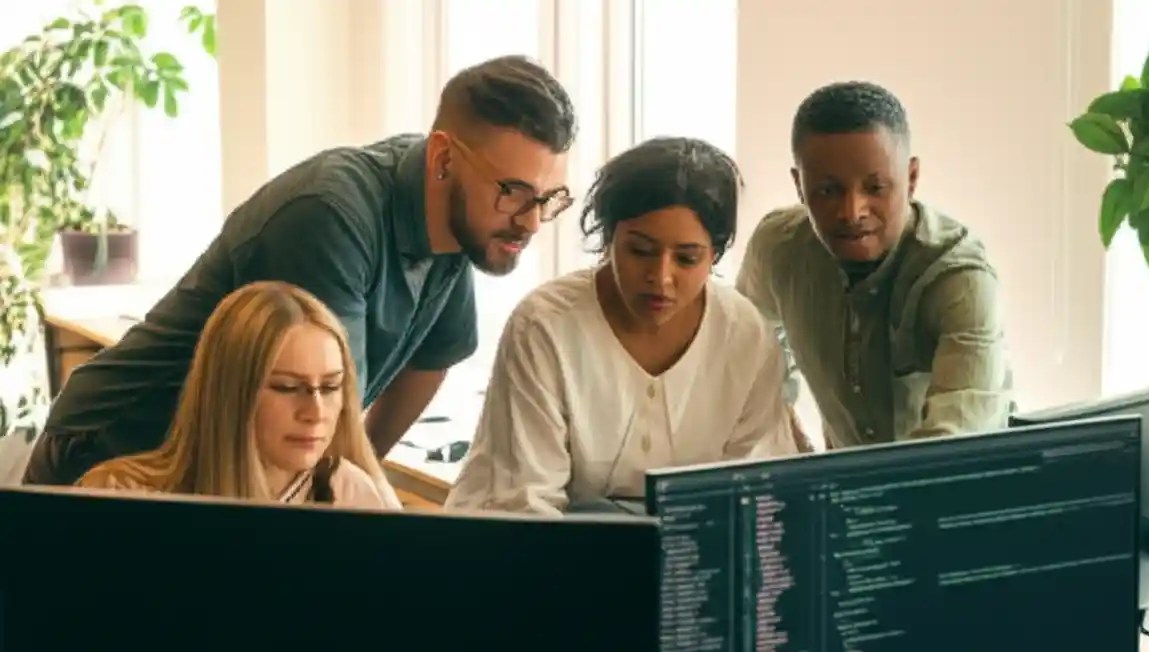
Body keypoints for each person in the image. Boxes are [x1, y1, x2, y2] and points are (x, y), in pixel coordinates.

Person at [24, 54, 577, 486]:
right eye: (513, 193)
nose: (530, 222)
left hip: (232, 468)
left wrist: (362, 475)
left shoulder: (465, 224)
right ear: (443, 159)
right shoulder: (329, 217)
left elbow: (432, 359)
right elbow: (322, 416)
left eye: (549, 199)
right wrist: (351, 484)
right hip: (119, 452)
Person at [444, 137, 798, 516]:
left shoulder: (744, 335)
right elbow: (525, 504)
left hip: (688, 556)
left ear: (715, 252)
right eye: (640, 251)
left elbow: (757, 495)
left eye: (686, 258)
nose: (661, 278)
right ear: (609, 238)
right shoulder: (546, 326)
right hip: (548, 548)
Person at [736, 81, 1013, 450]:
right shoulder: (778, 249)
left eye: (876, 188)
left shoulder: (960, 278)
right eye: (828, 191)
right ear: (799, 187)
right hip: (840, 493)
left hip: (952, 493)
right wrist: (794, 453)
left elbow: (957, 442)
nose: (852, 212)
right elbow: (742, 362)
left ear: (911, 178)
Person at [76, 282, 401, 508]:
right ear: (231, 394)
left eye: (331, 387)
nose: (315, 412)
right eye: (287, 387)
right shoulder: (118, 494)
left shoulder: (349, 493)